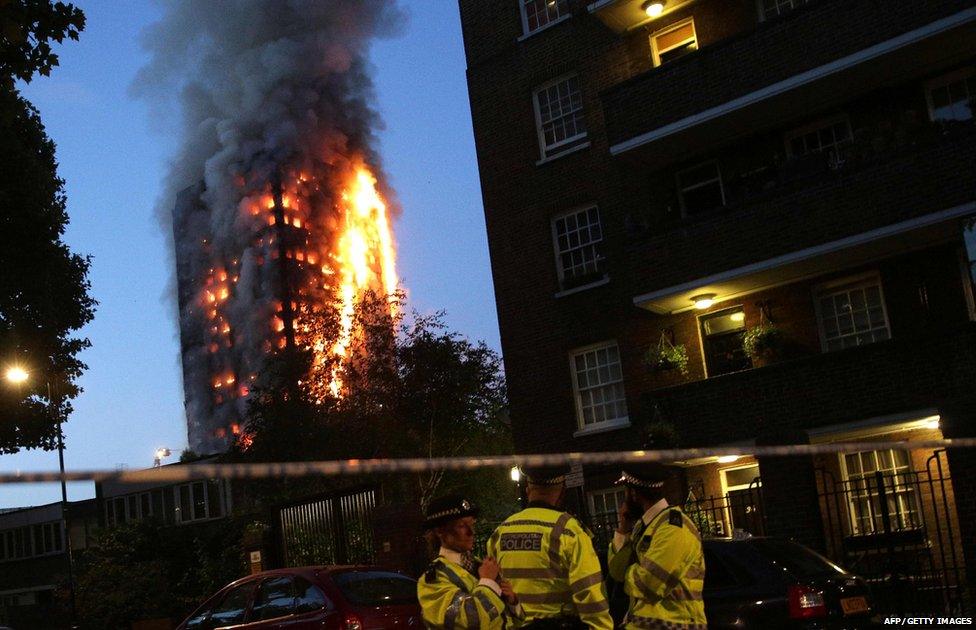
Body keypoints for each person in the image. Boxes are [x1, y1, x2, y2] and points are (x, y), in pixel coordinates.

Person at [488, 466, 613, 630]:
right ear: (562, 491)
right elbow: (589, 593)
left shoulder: (501, 532)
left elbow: (493, 590)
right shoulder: (569, 531)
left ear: (528, 490)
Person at [607, 464, 706, 630]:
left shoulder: (673, 528)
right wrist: (623, 529)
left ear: (633, 494)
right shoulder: (642, 526)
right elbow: (616, 571)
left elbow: (649, 585)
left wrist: (627, 573)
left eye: (625, 493)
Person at [417, 494, 522, 629]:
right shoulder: (432, 580)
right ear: (440, 531)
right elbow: (469, 622)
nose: (471, 532)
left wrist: (512, 602)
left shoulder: (479, 565)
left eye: (472, 524)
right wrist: (488, 583)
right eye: (462, 526)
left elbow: (508, 622)